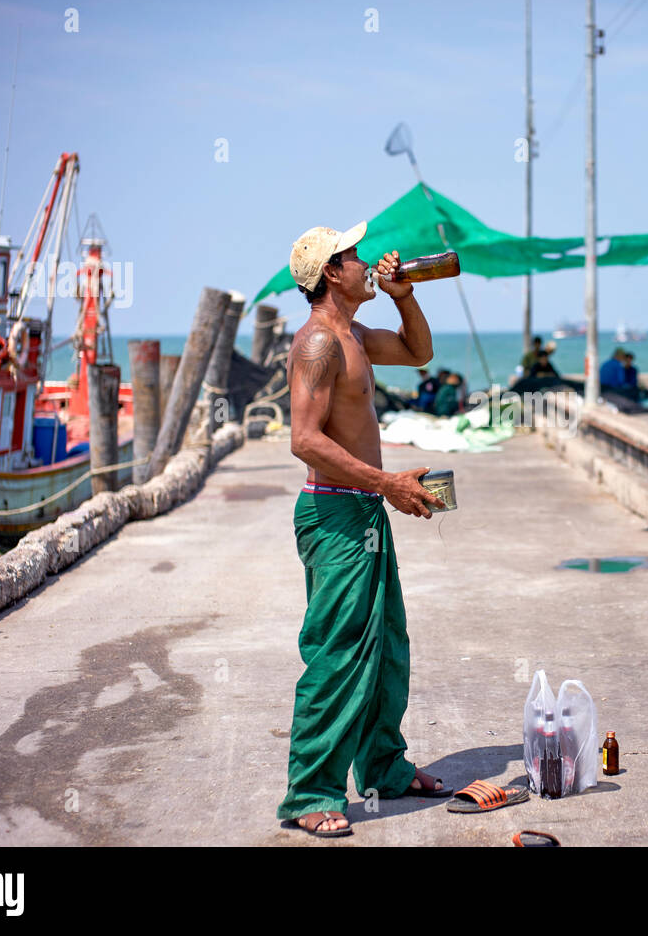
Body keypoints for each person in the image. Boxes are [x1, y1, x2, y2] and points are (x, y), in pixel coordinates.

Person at [278, 220, 448, 838]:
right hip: (336, 514)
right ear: (332, 273)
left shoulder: (352, 335)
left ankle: (384, 769)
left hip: (365, 509)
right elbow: (304, 439)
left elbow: (418, 352)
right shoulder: (318, 344)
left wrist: (404, 294)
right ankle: (309, 793)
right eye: (354, 255)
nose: (365, 260)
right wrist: (387, 483)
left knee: (386, 645)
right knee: (339, 652)